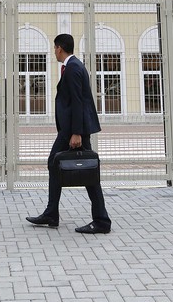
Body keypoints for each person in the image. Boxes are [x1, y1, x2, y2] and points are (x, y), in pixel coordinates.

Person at [27, 33, 112, 234]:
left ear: (59, 48)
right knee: (74, 169)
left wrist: (76, 133)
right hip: (73, 128)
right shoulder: (74, 65)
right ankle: (53, 213)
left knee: (70, 167)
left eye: (54, 48)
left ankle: (100, 220)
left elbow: (77, 101)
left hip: (73, 130)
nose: (54, 52)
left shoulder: (73, 68)